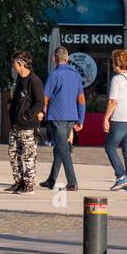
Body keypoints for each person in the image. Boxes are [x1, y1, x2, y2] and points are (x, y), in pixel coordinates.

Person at [40, 48, 86, 192]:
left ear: (54, 59)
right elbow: (81, 99)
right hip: (71, 117)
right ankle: (51, 180)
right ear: (67, 58)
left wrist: (42, 111)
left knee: (63, 149)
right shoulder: (76, 75)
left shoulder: (54, 74)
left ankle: (72, 182)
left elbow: (45, 97)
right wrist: (81, 119)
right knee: (59, 149)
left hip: (57, 116)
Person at [6, 52, 45, 193]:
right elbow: (16, 98)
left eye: (14, 64)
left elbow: (40, 102)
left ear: (20, 63)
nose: (13, 67)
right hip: (15, 125)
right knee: (13, 154)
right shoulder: (18, 80)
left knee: (29, 156)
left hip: (28, 125)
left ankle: (29, 184)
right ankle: (19, 181)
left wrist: (26, 115)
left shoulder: (34, 81)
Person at [104, 48, 127, 191]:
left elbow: (113, 101)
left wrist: (106, 118)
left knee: (110, 147)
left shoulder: (116, 79)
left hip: (120, 118)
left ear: (116, 63)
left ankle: (121, 176)